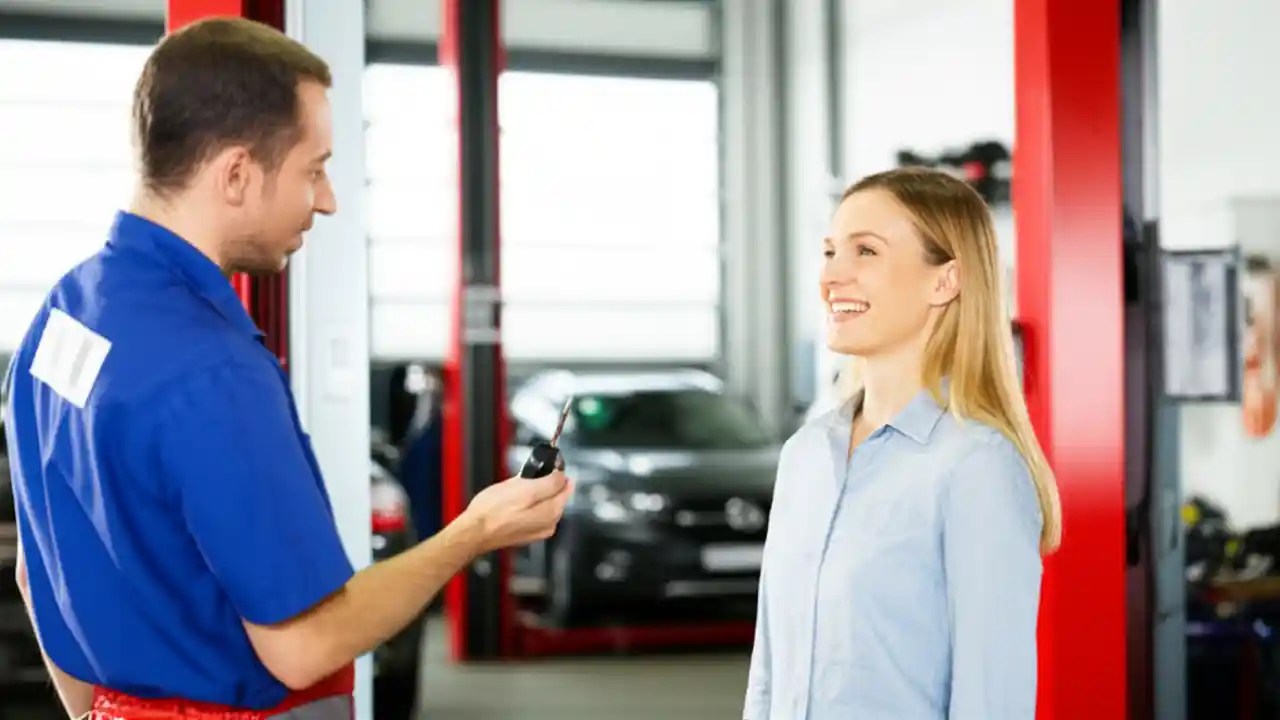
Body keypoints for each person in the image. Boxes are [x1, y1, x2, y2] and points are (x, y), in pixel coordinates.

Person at [3, 17, 571, 720]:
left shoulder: (61, 318)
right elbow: (303, 645)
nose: (327, 198)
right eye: (314, 168)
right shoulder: (210, 369)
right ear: (237, 174)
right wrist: (473, 533)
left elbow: (40, 574)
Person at [744, 167, 1062, 719]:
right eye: (828, 252)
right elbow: (769, 672)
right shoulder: (804, 456)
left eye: (865, 252)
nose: (831, 277)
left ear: (945, 281)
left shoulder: (975, 466)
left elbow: (992, 700)